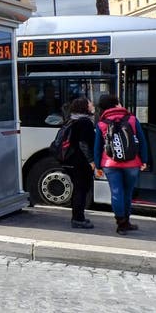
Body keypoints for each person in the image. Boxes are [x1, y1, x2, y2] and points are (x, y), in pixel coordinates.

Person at [94, 93, 149, 235]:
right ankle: (127, 221)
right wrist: (144, 160)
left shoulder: (101, 123)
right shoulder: (131, 119)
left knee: (116, 192)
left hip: (110, 164)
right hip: (132, 163)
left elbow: (97, 147)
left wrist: (98, 166)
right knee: (128, 192)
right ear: (117, 104)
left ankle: (121, 223)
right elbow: (142, 141)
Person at [63, 97, 96, 229]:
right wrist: (91, 161)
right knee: (81, 190)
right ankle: (78, 219)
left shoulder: (73, 120)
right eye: (89, 103)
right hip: (81, 162)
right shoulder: (85, 122)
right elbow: (83, 144)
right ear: (84, 107)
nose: (92, 105)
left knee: (79, 189)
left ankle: (78, 216)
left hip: (74, 160)